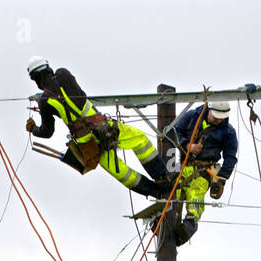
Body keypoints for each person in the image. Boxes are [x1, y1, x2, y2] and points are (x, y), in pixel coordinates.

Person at [25, 56, 168, 199]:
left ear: (35, 78)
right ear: (48, 68)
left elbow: (47, 131)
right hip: (103, 127)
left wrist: (33, 129)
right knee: (140, 140)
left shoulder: (44, 101)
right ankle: (163, 177)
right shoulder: (63, 74)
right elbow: (76, 94)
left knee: (121, 172)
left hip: (88, 143)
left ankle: (157, 192)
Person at [168, 100, 238, 245]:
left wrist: (222, 179)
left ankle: (187, 227)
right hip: (182, 167)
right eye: (216, 116)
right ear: (209, 110)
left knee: (195, 197)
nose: (219, 120)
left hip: (203, 172)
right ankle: (165, 226)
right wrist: (188, 145)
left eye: (222, 118)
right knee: (172, 199)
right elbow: (174, 131)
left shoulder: (228, 132)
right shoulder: (192, 117)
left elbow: (230, 157)